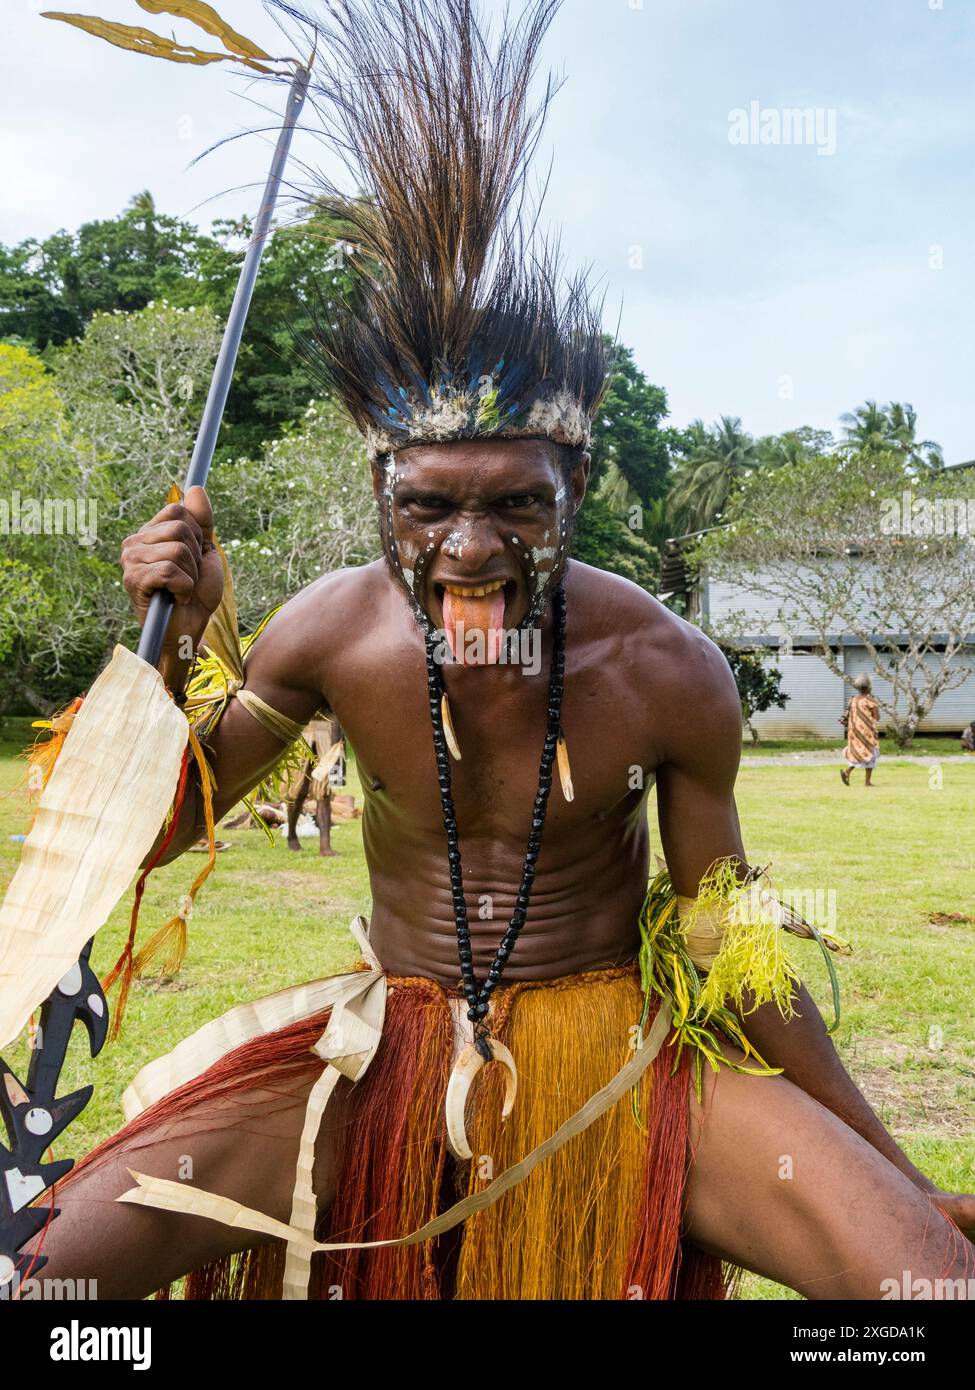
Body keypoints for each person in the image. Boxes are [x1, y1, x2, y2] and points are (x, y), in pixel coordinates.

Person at [24, 0, 974, 1301]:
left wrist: (885, 1164)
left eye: (512, 505)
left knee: (925, 1288)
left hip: (621, 1060)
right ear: (379, 500)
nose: (468, 548)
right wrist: (168, 649)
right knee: (49, 1287)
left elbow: (724, 943)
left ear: (569, 487)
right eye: (428, 507)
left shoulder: (662, 668)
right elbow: (158, 830)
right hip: (384, 1050)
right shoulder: (329, 633)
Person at [841, 674, 881, 787]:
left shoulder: (853, 700)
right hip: (867, 733)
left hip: (854, 732)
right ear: (869, 687)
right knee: (870, 755)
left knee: (857, 753)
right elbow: (877, 717)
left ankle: (847, 772)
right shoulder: (870, 701)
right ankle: (867, 782)